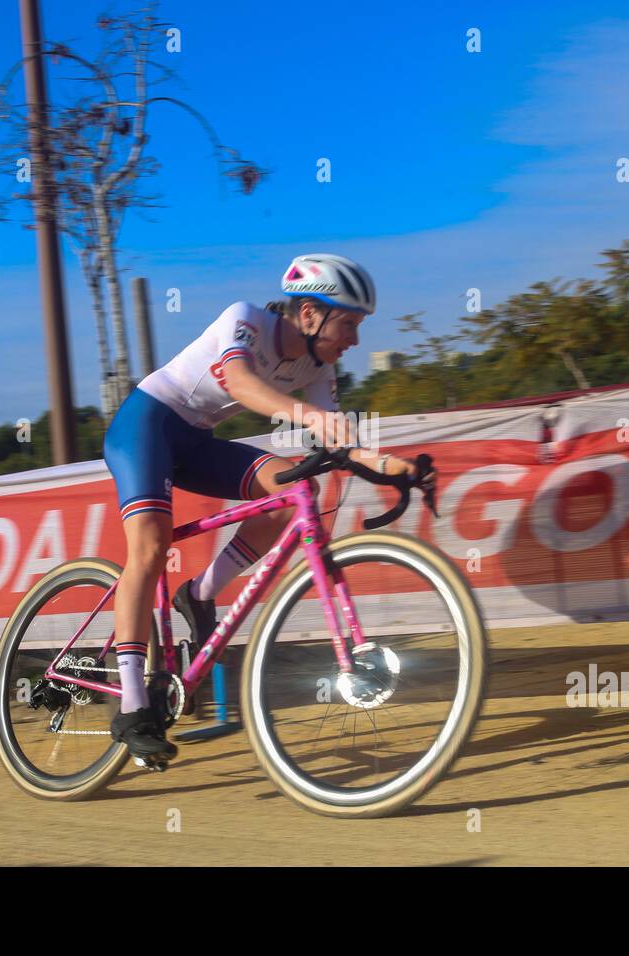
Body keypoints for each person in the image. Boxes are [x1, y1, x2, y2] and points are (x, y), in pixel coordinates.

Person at [101, 254, 434, 760]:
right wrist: (305, 414)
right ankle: (131, 706)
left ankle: (200, 594)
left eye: (359, 326)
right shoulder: (247, 320)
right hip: (146, 425)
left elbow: (342, 439)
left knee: (294, 491)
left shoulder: (319, 366)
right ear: (308, 314)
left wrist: (395, 467)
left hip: (197, 440)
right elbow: (239, 382)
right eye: (348, 323)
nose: (355, 340)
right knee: (149, 547)